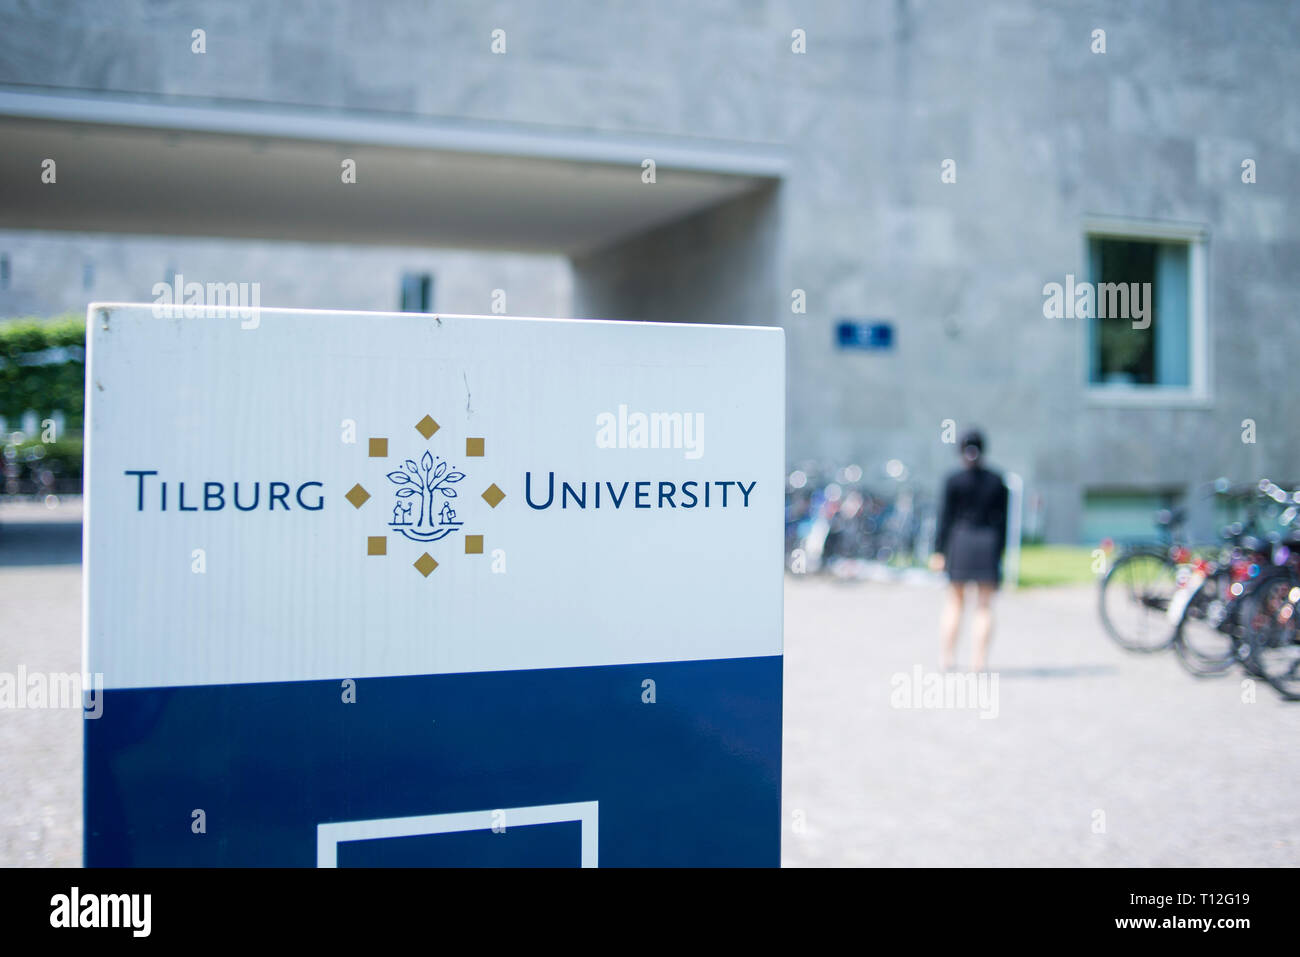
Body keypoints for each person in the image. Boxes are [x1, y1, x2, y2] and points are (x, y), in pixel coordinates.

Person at [929, 429, 1008, 672]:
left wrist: (938, 551)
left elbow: (944, 519)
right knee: (984, 606)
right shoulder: (997, 481)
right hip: (987, 543)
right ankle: (979, 662)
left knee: (954, 602)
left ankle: (947, 658)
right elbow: (1003, 522)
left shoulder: (954, 481)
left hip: (960, 542)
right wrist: (999, 552)